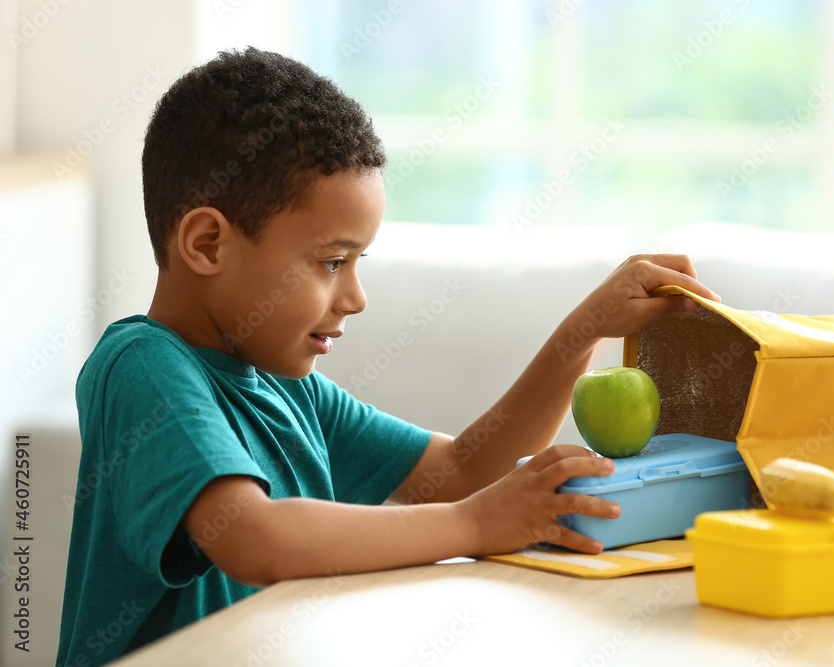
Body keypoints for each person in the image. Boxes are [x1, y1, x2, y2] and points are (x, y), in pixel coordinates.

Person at [56, 47, 720, 666]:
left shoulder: (290, 390)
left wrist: (581, 334)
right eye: (331, 261)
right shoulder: (143, 365)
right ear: (206, 243)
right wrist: (473, 523)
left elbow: (462, 467)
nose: (356, 297)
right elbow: (256, 538)